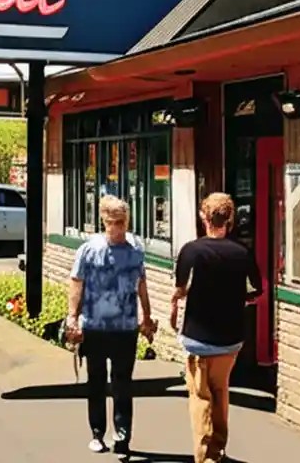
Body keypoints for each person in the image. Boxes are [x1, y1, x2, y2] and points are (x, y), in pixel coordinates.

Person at [170, 192, 262, 463]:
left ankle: (204, 456)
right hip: (231, 338)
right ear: (230, 219)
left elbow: (180, 288)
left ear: (204, 217)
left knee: (200, 396)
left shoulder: (192, 250)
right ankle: (218, 448)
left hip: (198, 336)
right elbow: (257, 290)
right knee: (221, 391)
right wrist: (239, 298)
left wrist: (177, 302)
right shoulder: (242, 253)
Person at [66, 195, 157, 457]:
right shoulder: (89, 250)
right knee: (96, 382)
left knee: (123, 384)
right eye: (113, 222)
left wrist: (147, 317)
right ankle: (97, 433)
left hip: (125, 327)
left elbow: (142, 284)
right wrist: (73, 316)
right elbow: (76, 282)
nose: (118, 228)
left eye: (122, 222)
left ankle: (123, 437)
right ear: (104, 222)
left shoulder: (135, 250)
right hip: (95, 326)